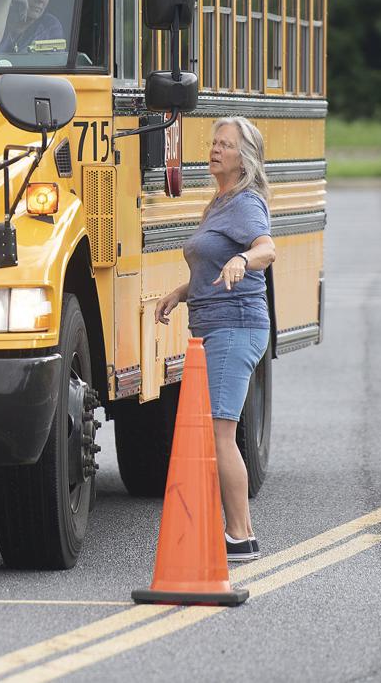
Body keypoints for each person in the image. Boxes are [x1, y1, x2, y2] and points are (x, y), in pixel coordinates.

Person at [155, 117, 277, 563]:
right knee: (213, 432)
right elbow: (212, 266)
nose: (215, 149)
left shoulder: (245, 203)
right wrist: (180, 293)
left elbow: (267, 248)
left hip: (235, 326)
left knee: (221, 432)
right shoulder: (219, 203)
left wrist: (245, 259)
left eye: (225, 145)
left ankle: (240, 535)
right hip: (212, 325)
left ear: (243, 158)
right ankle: (234, 529)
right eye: (214, 143)